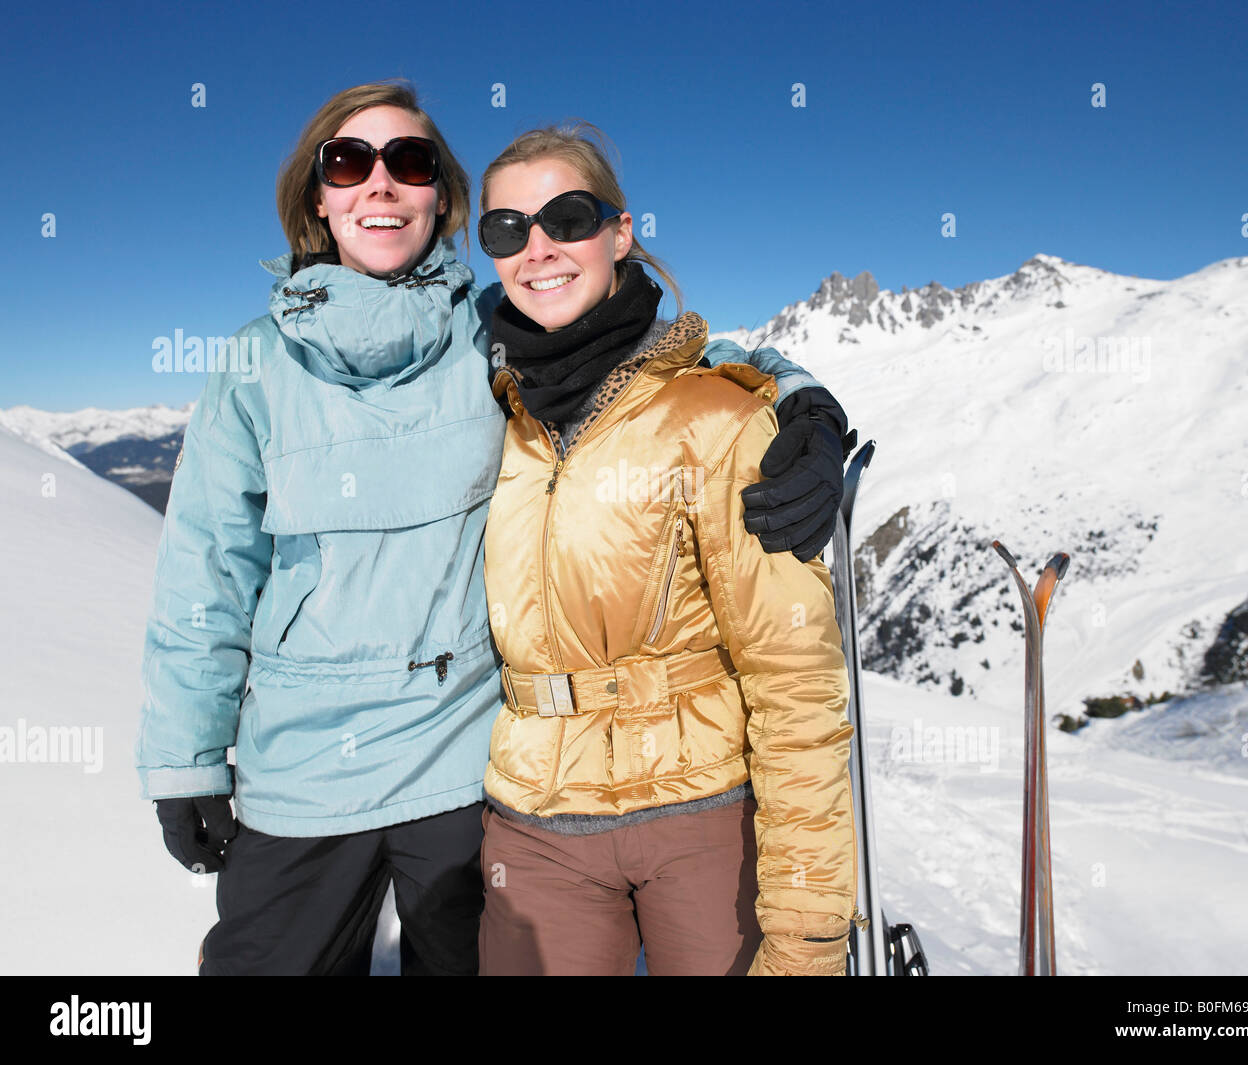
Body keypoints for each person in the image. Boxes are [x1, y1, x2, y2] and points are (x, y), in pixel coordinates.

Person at [135, 81, 853, 976]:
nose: (380, 184)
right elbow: (207, 568)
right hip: (303, 771)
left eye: (411, 161)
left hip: (461, 764)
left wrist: (798, 398)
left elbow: (663, 356)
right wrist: (186, 758)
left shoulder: (483, 339)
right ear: (316, 197)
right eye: (350, 162)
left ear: (441, 197)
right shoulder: (256, 365)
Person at [476, 124, 857, 976]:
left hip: (701, 816)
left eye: (567, 217)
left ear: (621, 232)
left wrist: (807, 927)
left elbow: (795, 682)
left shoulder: (719, 417)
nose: (536, 248)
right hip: (534, 825)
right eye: (505, 230)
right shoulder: (490, 409)